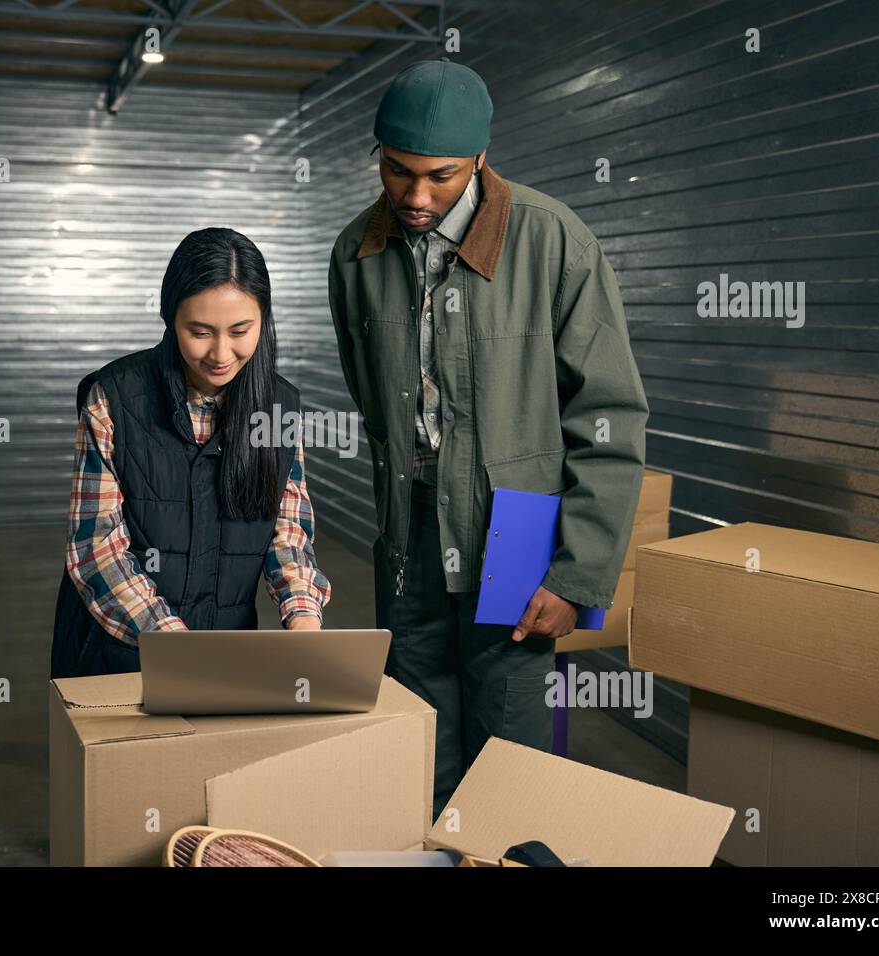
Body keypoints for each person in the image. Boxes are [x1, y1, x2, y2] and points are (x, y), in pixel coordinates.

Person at [327, 58, 649, 818]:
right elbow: (373, 403)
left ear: (480, 158)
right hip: (408, 534)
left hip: (515, 537)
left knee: (510, 761)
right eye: (397, 171)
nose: (414, 196)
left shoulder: (554, 242)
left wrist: (578, 575)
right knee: (416, 748)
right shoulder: (356, 253)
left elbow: (610, 417)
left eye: (438, 177)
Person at [51, 228, 331, 678]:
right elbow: (96, 546)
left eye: (241, 331)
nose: (221, 354)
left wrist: (303, 615)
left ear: (263, 319)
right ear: (170, 318)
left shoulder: (279, 408)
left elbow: (288, 533)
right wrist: (170, 641)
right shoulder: (114, 398)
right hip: (124, 658)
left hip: (230, 662)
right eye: (199, 332)